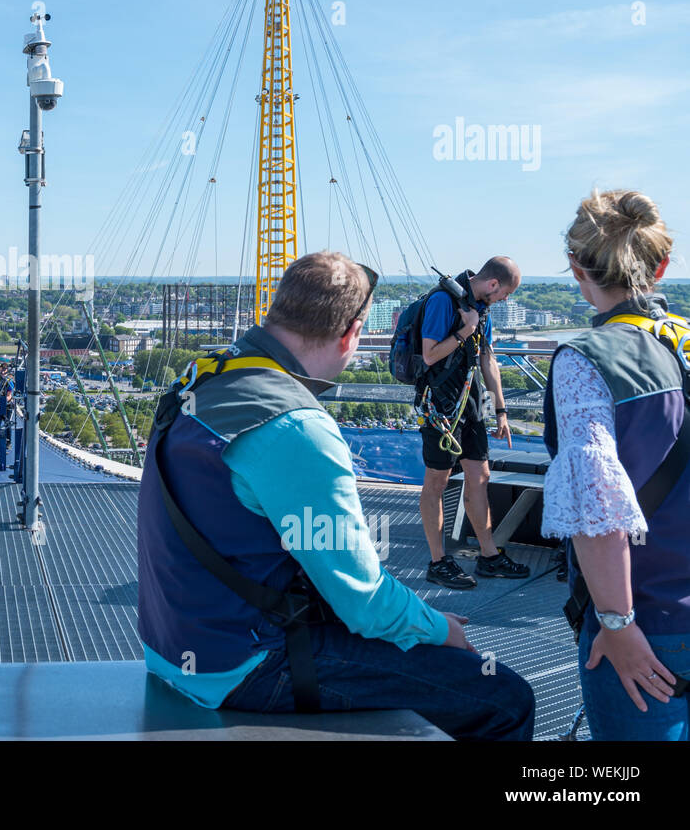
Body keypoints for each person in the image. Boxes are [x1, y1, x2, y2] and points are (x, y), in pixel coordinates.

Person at [137, 250, 534, 740]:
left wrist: (413, 621)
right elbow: (364, 602)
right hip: (246, 665)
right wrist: (437, 629)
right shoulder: (293, 426)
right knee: (505, 699)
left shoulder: (199, 378)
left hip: (172, 645)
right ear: (350, 334)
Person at [542, 189, 690, 741]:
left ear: (578, 268)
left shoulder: (586, 359)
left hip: (648, 623)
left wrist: (617, 623)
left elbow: (595, 507)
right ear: (662, 267)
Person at [416, 257, 531, 589]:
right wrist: (466, 328)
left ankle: (489, 556)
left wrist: (501, 410)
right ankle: (438, 562)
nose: (504, 300)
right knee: (436, 481)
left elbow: (488, 357)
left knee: (479, 475)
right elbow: (429, 355)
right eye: (505, 293)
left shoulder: (481, 308)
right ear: (493, 284)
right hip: (439, 400)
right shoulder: (443, 301)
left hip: (470, 399)